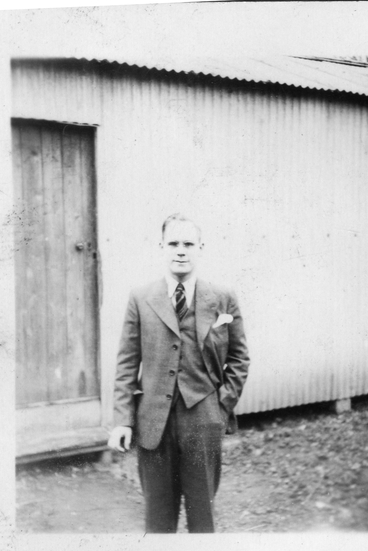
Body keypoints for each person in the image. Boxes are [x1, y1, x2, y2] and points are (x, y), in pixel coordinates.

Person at [107, 213, 250, 533]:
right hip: (153, 423)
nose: (181, 250)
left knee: (203, 518)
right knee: (158, 520)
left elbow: (240, 358)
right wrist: (122, 420)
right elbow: (127, 363)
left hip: (203, 421)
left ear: (200, 247)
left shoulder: (222, 297)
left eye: (188, 243)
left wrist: (220, 406)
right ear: (161, 247)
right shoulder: (141, 297)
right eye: (173, 243)